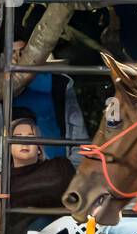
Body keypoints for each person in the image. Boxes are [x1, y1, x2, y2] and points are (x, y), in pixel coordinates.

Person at [9, 20, 87, 160]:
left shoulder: (59, 83)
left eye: (22, 52)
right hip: (15, 171)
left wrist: (71, 169)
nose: (17, 58)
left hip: (56, 167)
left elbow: (77, 130)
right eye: (12, 53)